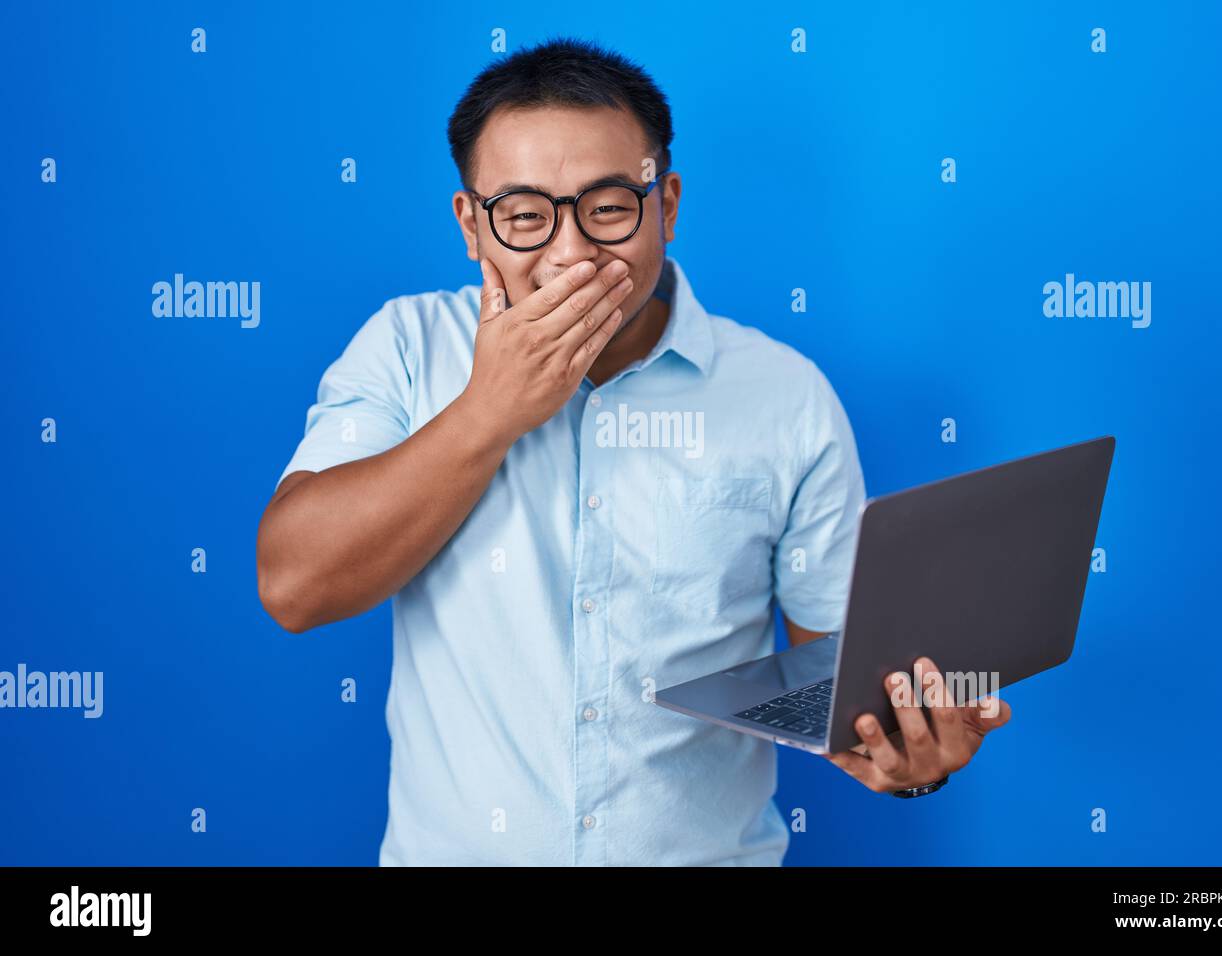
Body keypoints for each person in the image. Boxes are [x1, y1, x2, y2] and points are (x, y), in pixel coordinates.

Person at [256, 37, 1010, 866]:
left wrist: (911, 757)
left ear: (668, 205)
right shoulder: (406, 348)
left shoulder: (784, 395)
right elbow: (295, 585)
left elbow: (843, 674)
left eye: (609, 206)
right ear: (472, 225)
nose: (573, 254)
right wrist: (487, 413)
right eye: (525, 217)